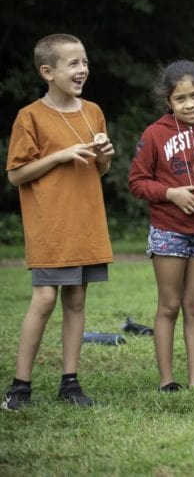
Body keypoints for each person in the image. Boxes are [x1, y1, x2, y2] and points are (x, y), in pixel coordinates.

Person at [2, 34, 116, 411]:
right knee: (45, 298)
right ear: (47, 72)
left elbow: (101, 169)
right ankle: (19, 387)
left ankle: (70, 382)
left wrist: (104, 156)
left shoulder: (93, 111)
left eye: (84, 61)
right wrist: (61, 155)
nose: (82, 69)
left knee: (77, 298)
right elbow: (16, 175)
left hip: (85, 221)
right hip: (51, 225)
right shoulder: (30, 116)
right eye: (73, 63)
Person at [128, 60, 194, 392]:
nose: (190, 104)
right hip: (168, 229)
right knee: (170, 305)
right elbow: (137, 182)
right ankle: (166, 380)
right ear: (168, 102)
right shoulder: (155, 134)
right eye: (181, 98)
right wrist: (171, 193)